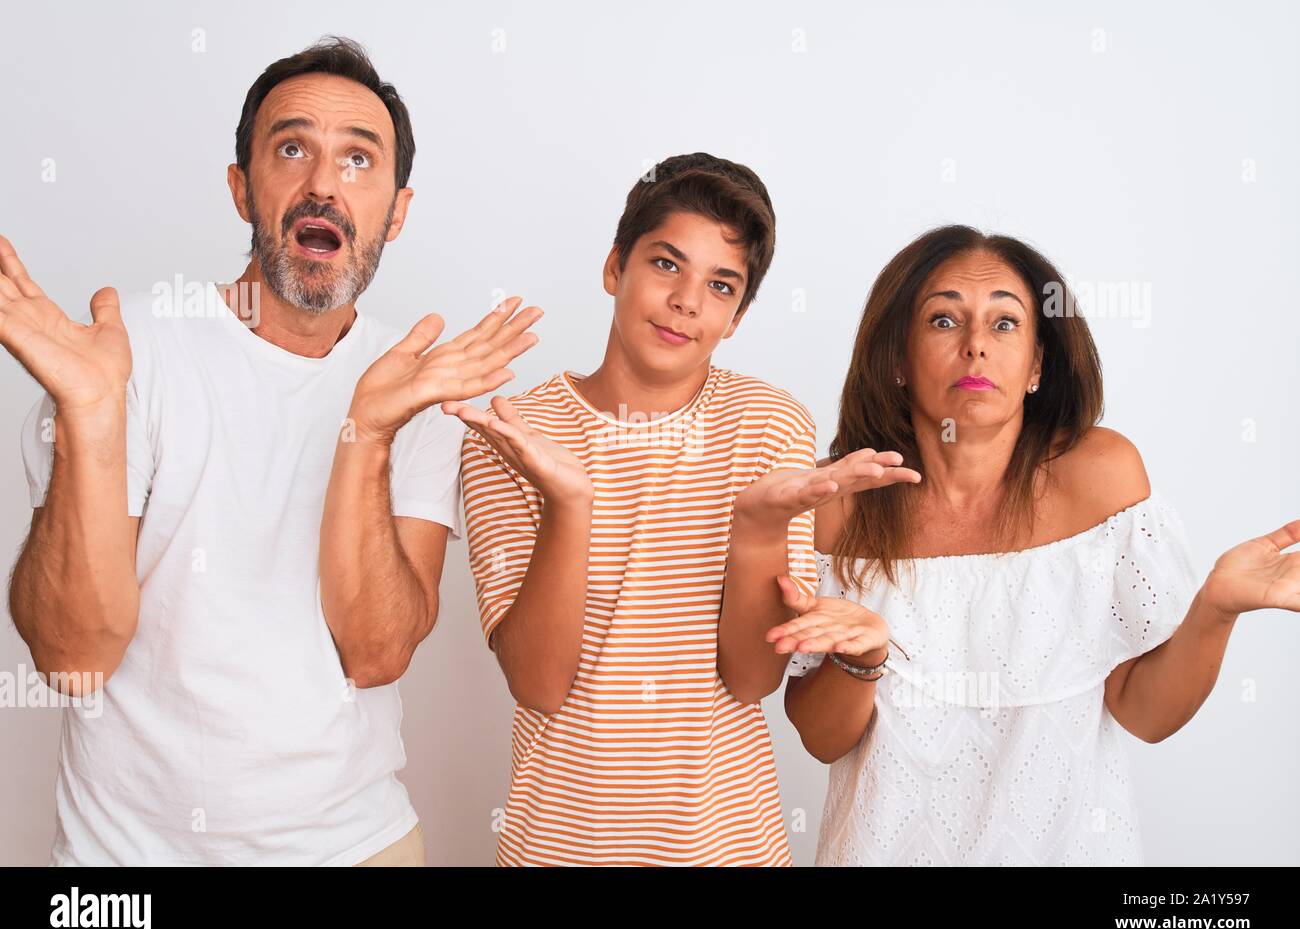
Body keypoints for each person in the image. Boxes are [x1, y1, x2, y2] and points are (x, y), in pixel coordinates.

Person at [1, 36, 537, 866]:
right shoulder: (122, 351)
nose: (324, 182)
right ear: (242, 186)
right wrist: (92, 424)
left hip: (353, 848)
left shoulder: (416, 390)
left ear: (397, 209)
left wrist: (367, 428)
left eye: (359, 159)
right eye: (293, 148)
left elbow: (376, 652)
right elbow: (72, 659)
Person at [775, 225, 1300, 865]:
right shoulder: (839, 502)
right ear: (897, 360)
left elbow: (1147, 715)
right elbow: (824, 741)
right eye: (944, 321)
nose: (975, 347)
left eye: (1004, 324)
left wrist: (1216, 609)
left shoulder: (1100, 476)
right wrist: (862, 660)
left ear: (1037, 364)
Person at [449, 152, 916, 865]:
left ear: (737, 315)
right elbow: (538, 685)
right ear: (615, 268)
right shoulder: (515, 432)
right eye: (667, 264)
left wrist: (757, 530)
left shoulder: (768, 422)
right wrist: (569, 505)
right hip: (559, 846)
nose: (687, 301)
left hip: (727, 847)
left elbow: (752, 680)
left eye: (720, 284)